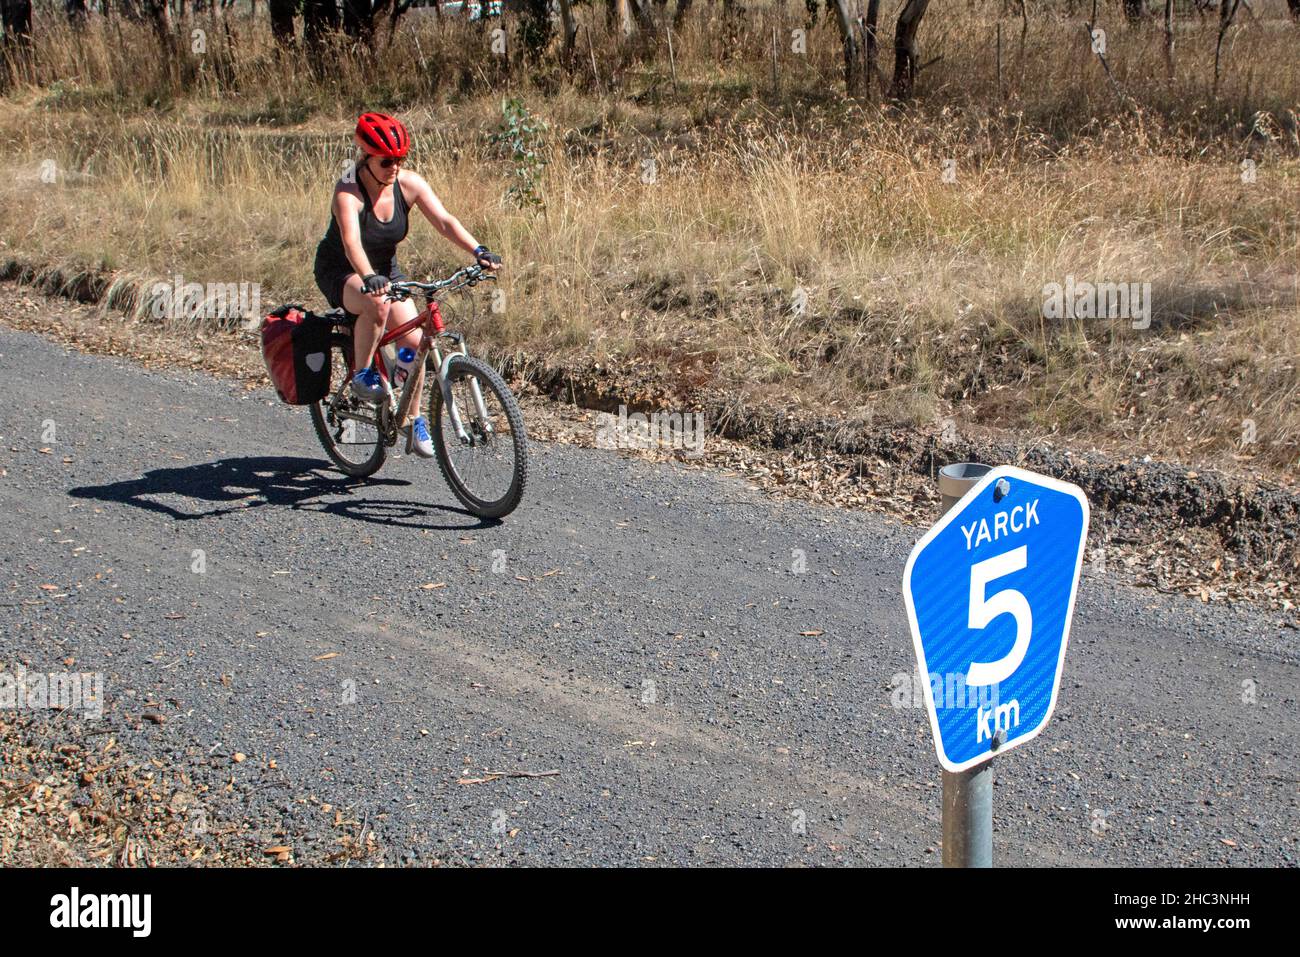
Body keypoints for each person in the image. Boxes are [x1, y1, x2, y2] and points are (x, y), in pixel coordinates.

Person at [313, 111, 500, 457]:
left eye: (400, 160)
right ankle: (363, 374)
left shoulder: (408, 184)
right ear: (366, 158)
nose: (394, 167)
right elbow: (352, 243)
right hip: (342, 270)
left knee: (415, 343)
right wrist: (369, 278)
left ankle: (411, 419)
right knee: (377, 305)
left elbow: (444, 220)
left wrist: (478, 250)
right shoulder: (348, 190)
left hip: (385, 271)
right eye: (386, 161)